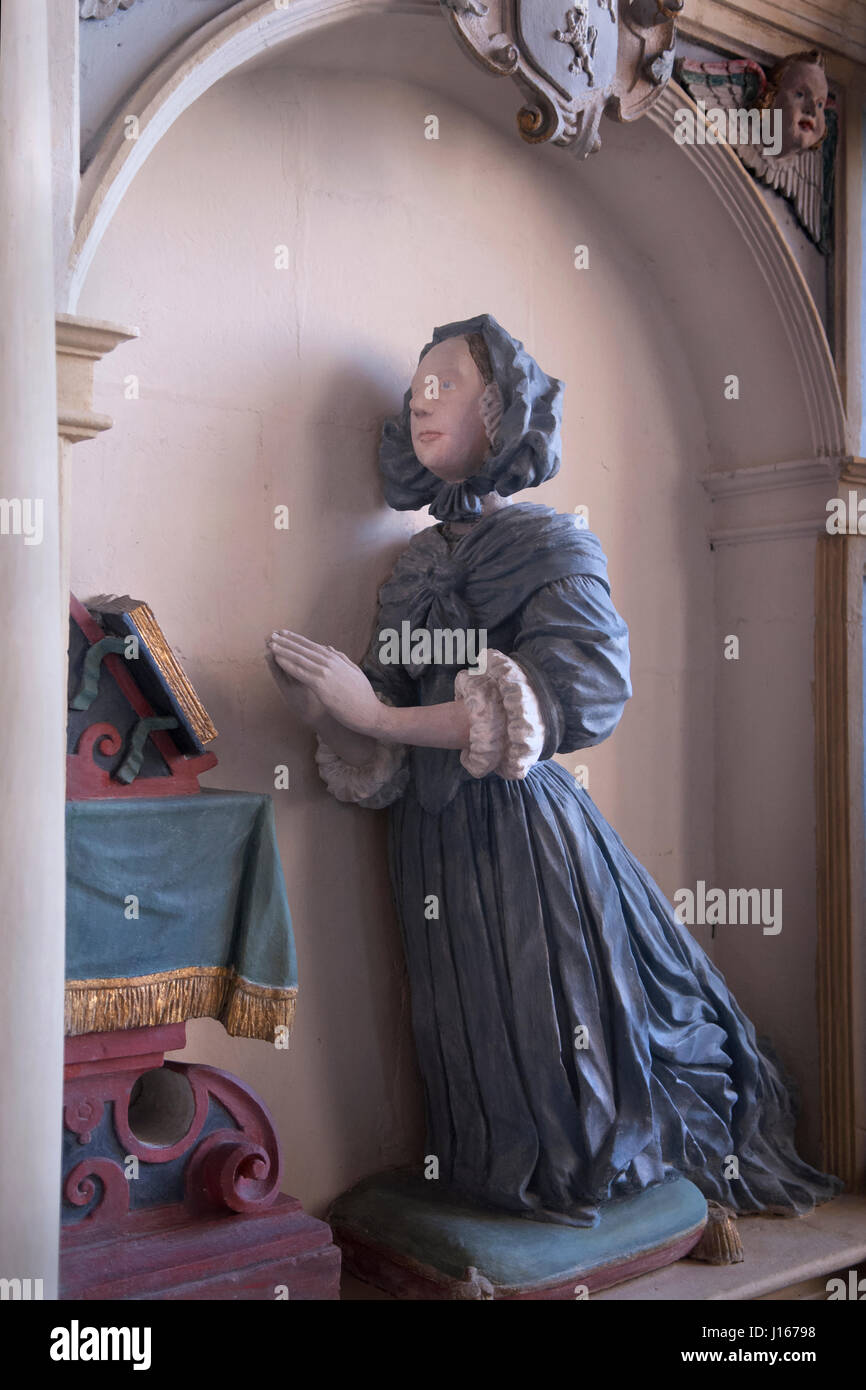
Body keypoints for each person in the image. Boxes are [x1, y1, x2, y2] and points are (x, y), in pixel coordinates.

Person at [266, 313, 841, 1228]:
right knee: (462, 1018)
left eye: (448, 382)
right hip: (433, 834)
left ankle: (589, 1178)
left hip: (520, 829)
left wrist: (371, 710)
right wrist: (323, 699)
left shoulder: (551, 545)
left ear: (501, 411)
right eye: (419, 383)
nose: (423, 398)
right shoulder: (414, 564)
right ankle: (492, 1174)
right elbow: (386, 718)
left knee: (548, 1007)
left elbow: (578, 693)